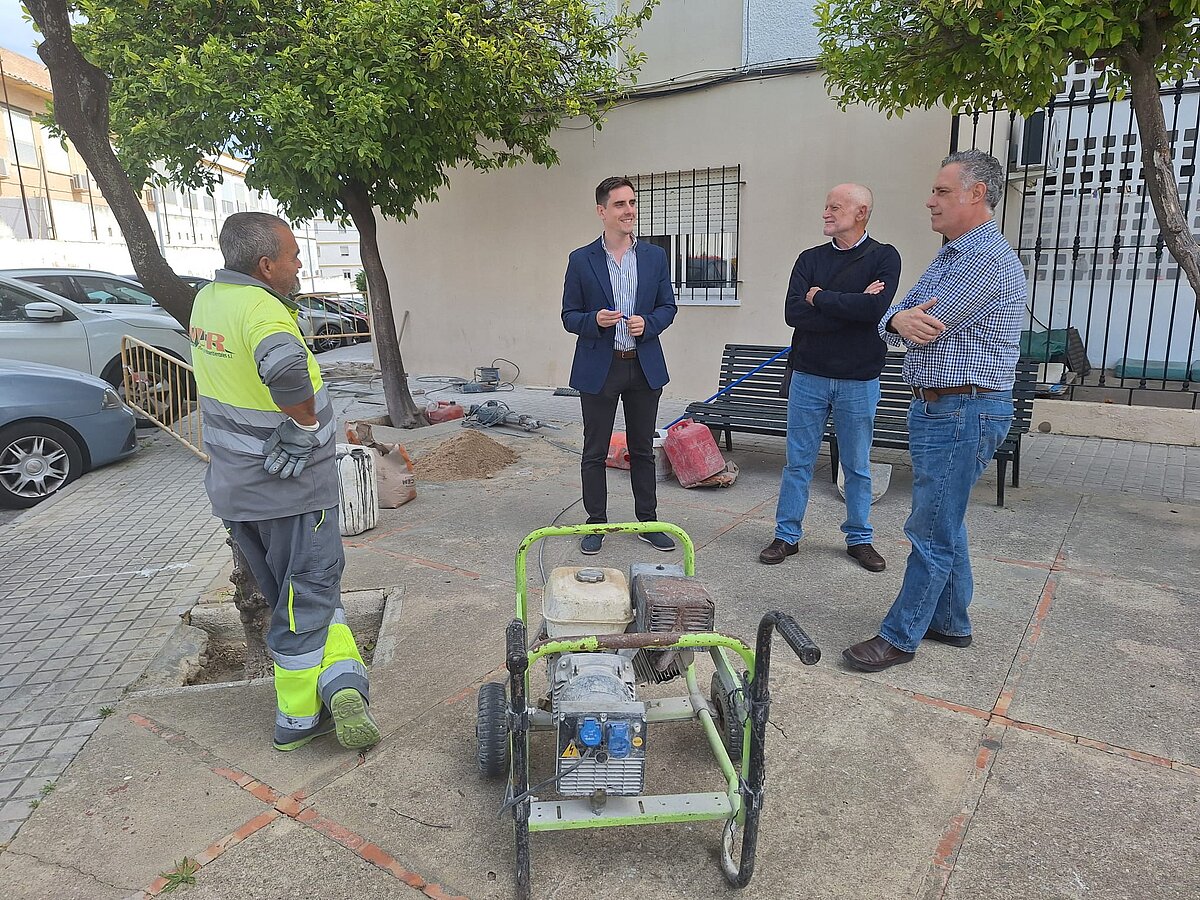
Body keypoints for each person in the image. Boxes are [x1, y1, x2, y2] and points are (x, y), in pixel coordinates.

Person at [191, 212, 381, 751]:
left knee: (301, 599)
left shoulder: (209, 301)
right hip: (291, 491)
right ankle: (297, 719)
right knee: (309, 599)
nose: (299, 265)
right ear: (265, 264)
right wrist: (304, 425)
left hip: (238, 490)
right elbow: (286, 370)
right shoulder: (262, 309)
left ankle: (342, 683)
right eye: (293, 256)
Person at [843, 150, 1026, 672]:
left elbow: (926, 321)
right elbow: (896, 317)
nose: (930, 200)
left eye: (942, 191)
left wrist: (897, 319)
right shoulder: (952, 255)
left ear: (977, 194)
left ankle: (900, 636)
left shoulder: (986, 259)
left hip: (964, 409)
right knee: (946, 519)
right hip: (942, 408)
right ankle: (950, 621)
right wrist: (895, 319)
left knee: (931, 530)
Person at [759, 183, 901, 571]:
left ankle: (860, 539)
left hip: (859, 380)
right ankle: (786, 537)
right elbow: (794, 314)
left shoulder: (884, 256)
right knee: (798, 463)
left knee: (857, 465)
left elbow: (874, 312)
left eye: (835, 207)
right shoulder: (809, 259)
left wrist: (820, 297)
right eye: (826, 206)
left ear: (861, 213)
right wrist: (853, 304)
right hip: (808, 376)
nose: (826, 212)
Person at [561, 176, 678, 555]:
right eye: (620, 204)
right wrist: (594, 320)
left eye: (632, 202)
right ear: (602, 211)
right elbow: (569, 315)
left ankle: (648, 522)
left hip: (643, 366)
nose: (629, 210)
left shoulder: (654, 257)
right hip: (601, 367)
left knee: (642, 450)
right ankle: (596, 523)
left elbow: (667, 306)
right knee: (594, 451)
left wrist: (650, 323)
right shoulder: (581, 260)